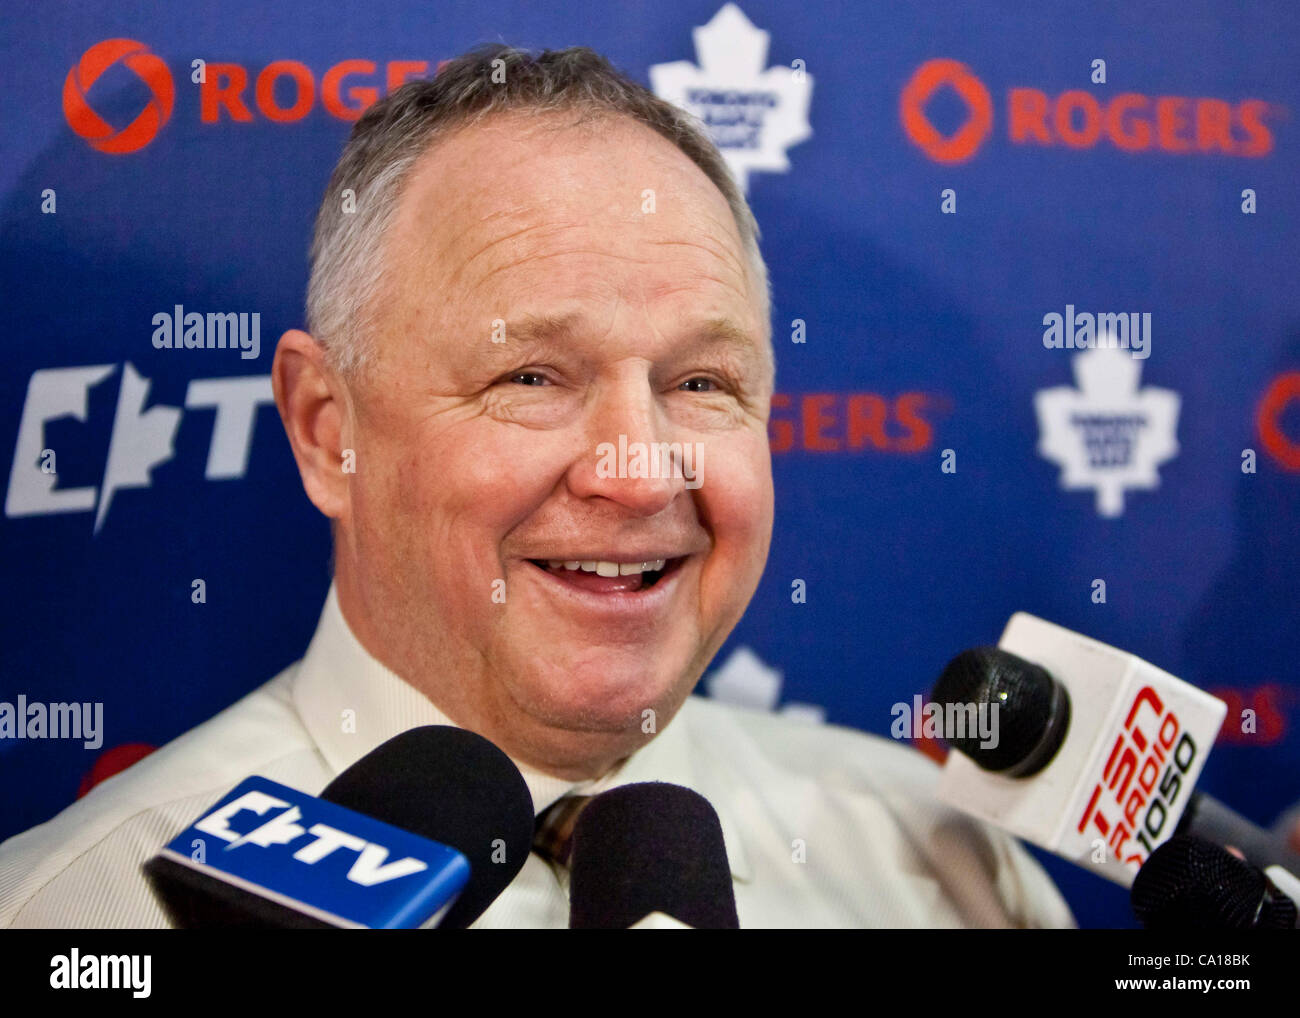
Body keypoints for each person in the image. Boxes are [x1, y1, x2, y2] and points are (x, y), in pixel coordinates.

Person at [0, 45, 1075, 928]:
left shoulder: (946, 873)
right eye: (530, 377)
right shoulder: (77, 915)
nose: (636, 470)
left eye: (701, 381)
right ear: (330, 432)